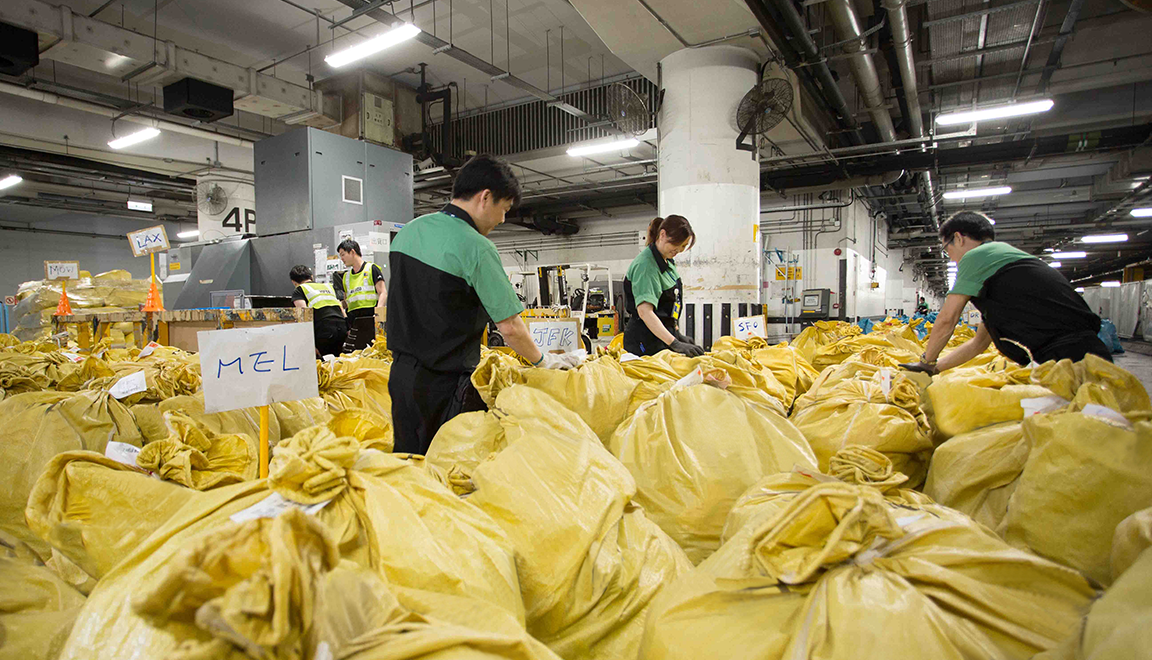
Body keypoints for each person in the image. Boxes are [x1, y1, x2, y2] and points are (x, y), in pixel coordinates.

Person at [386, 154, 577, 455]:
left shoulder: (408, 233)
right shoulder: (476, 247)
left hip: (400, 377)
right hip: (445, 386)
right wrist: (545, 362)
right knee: (447, 470)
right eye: (504, 209)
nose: (502, 220)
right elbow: (510, 328)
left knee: (408, 463)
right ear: (485, 197)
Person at [901, 210, 1110, 375]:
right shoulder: (1002, 265)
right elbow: (979, 343)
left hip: (1068, 358)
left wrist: (926, 361)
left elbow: (948, 318)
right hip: (1080, 354)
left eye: (947, 250)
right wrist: (934, 370)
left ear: (959, 238)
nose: (952, 258)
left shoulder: (977, 256)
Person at [623, 215, 705, 357]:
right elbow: (645, 312)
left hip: (662, 337)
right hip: (645, 341)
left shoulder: (667, 262)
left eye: (683, 246)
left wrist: (677, 333)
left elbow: (669, 303)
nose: (679, 250)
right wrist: (675, 343)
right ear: (662, 235)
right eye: (676, 244)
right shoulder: (646, 266)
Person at [333, 239, 386, 352]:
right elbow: (348, 300)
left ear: (352, 252)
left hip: (370, 318)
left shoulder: (372, 269)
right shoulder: (346, 277)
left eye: (343, 254)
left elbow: (383, 292)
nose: (341, 259)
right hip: (354, 321)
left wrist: (378, 315)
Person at [289, 265, 347, 358]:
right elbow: (341, 308)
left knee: (324, 364)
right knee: (338, 362)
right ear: (311, 277)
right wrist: (348, 329)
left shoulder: (299, 290)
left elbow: (304, 316)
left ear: (294, 282)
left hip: (324, 329)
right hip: (341, 327)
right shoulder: (327, 286)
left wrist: (309, 344)